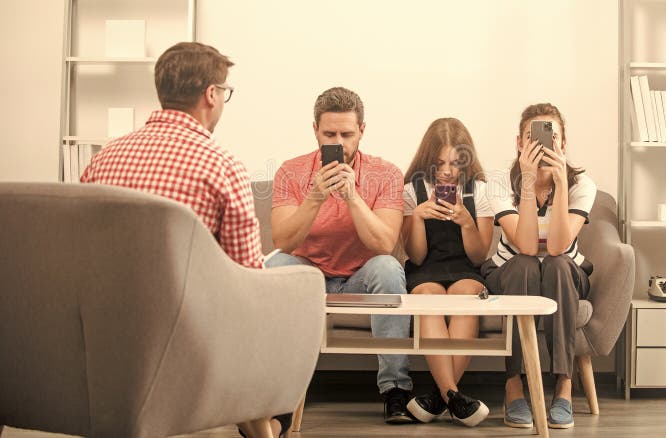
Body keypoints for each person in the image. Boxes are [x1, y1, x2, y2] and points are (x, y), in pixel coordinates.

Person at [81, 41, 290, 438]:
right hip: (182, 333)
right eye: (224, 92)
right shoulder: (221, 164)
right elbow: (247, 275)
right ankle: (262, 425)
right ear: (211, 94)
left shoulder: (104, 157)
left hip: (103, 326)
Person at [266, 87, 414, 424]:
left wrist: (353, 197)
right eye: (330, 133)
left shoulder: (386, 173)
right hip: (311, 276)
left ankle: (395, 389)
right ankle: (280, 391)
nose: (340, 142)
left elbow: (384, 244)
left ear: (362, 131)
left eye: (347, 134)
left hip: (361, 276)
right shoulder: (291, 172)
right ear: (315, 131)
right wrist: (316, 197)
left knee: (388, 268)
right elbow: (283, 242)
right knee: (274, 265)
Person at [483, 103, 596, 430]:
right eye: (533, 138)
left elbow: (559, 246)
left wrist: (560, 186)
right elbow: (528, 246)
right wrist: (529, 183)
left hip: (566, 273)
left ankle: (563, 384)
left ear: (563, 144)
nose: (544, 145)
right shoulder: (501, 182)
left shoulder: (582, 185)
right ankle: (514, 384)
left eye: (552, 137)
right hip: (511, 269)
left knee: (557, 265)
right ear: (520, 143)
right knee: (525, 265)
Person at [400, 118, 494, 427]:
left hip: (465, 267)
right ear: (428, 159)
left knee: (465, 296)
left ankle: (441, 397)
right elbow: (416, 255)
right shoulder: (411, 189)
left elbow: (479, 255)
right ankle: (454, 396)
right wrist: (417, 217)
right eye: (439, 162)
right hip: (425, 268)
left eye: (454, 163)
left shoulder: (478, 190)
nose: (446, 171)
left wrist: (467, 222)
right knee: (429, 297)